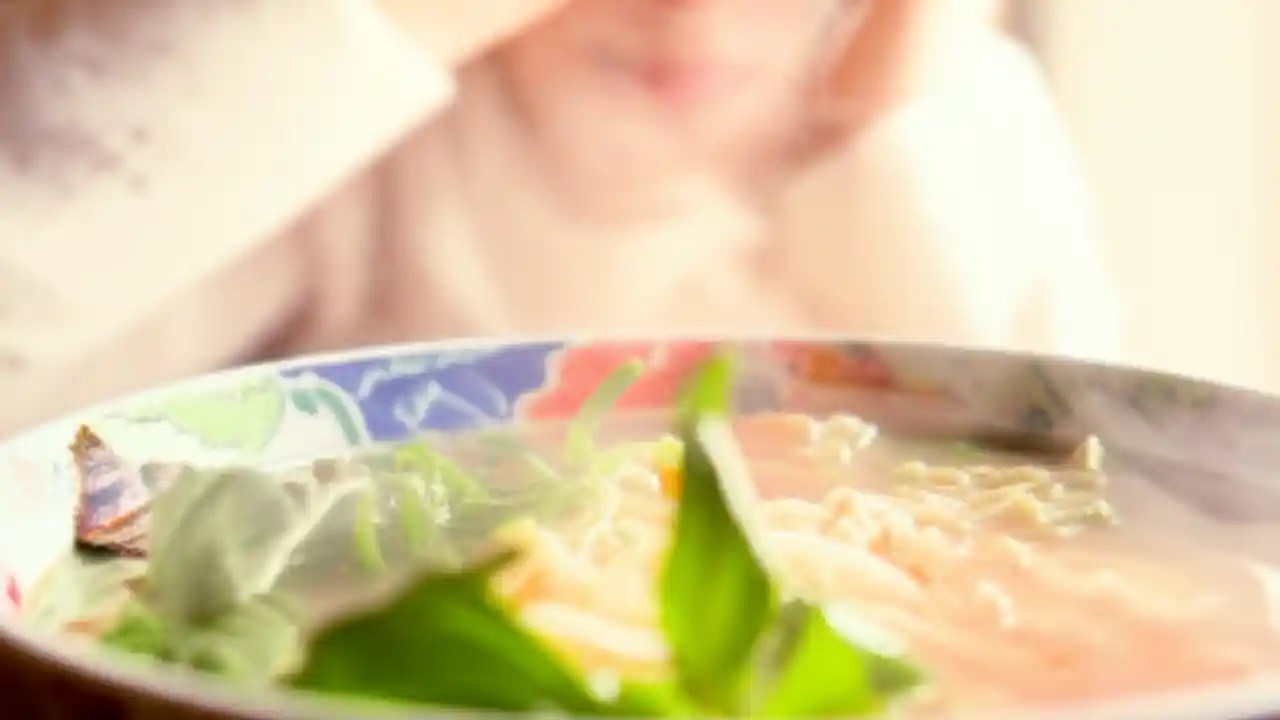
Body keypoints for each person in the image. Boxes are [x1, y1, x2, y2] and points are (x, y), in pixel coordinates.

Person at [0, 0, 1120, 434]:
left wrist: (891, 98)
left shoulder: (958, 121)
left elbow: (1074, 477)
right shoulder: (360, 139)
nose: (694, 19)